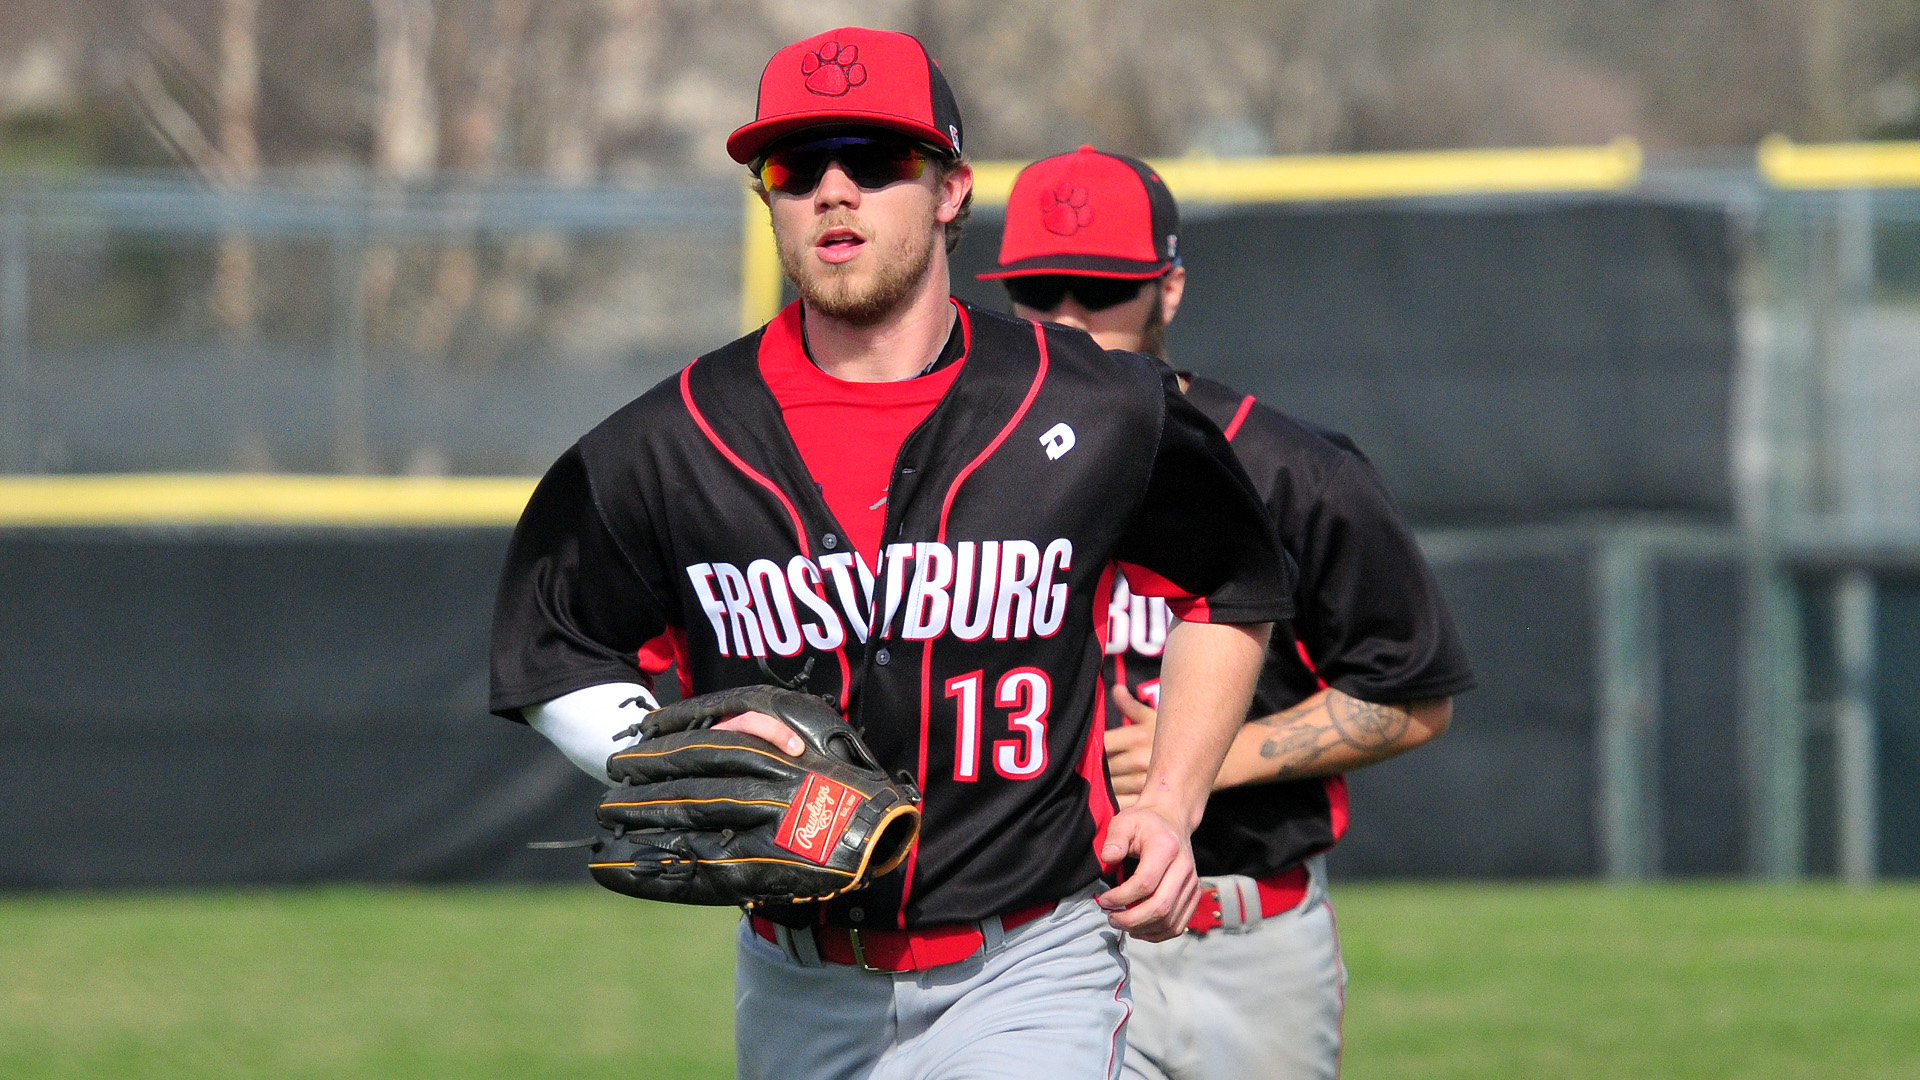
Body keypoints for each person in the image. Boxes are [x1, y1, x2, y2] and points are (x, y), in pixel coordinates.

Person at [489, 31, 1297, 1080]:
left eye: (874, 159)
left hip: (1031, 960)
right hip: (796, 978)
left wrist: (1175, 805)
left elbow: (1233, 588)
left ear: (951, 190)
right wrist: (674, 744)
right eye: (794, 166)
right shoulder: (668, 442)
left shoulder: (1098, 407)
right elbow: (554, 648)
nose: (834, 190)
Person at [981, 146, 1476, 1080]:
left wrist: (1205, 756)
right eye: (1041, 291)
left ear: (1168, 289)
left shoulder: (1293, 469)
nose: (1070, 320)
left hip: (1244, 942)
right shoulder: (972, 477)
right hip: (1035, 945)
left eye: (1102, 289)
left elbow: (1415, 695)